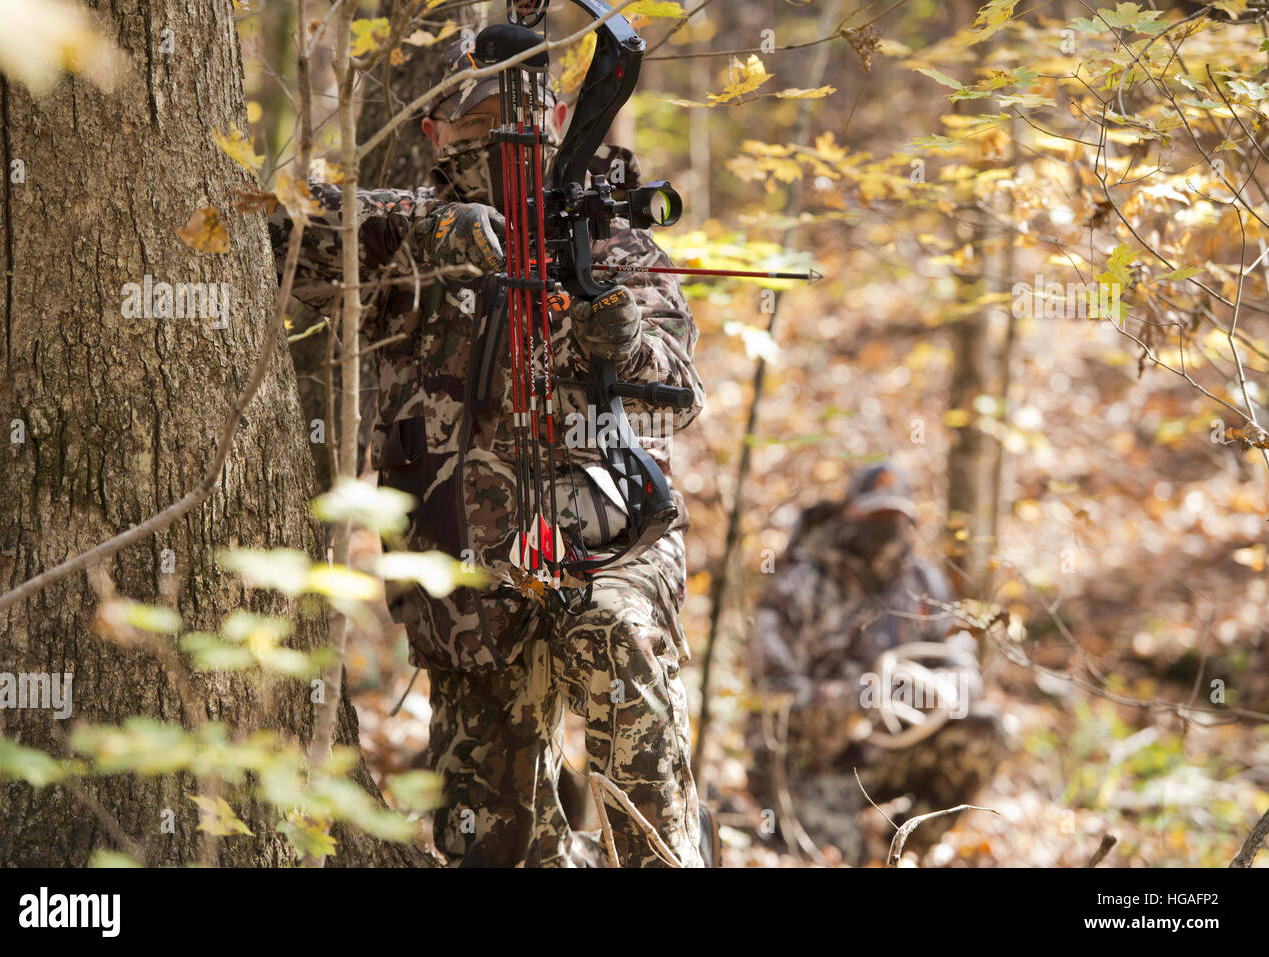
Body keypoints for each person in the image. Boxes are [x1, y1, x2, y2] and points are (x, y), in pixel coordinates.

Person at [269, 42, 706, 867]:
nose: (504, 133)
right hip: (468, 580)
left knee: (622, 645)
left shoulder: (602, 231)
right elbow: (278, 230)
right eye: (477, 118)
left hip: (608, 546)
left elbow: (680, 388)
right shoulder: (405, 235)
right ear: (432, 131)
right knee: (491, 838)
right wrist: (435, 231)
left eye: (519, 115)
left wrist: (621, 336)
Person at [750, 462, 1005, 864]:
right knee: (837, 858)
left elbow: (964, 669)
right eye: (872, 517)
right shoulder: (798, 586)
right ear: (847, 513)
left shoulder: (925, 584)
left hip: (889, 756)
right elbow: (771, 700)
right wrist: (860, 696)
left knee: (982, 729)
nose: (883, 530)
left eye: (893, 518)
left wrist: (931, 688)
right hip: (811, 768)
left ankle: (901, 845)